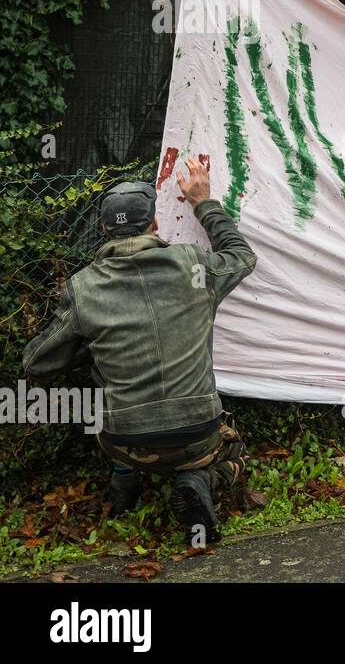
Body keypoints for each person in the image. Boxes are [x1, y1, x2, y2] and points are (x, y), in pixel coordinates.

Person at [22, 158, 256, 545]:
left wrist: (98, 343)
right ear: (155, 224)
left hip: (125, 440)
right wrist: (203, 203)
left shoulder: (83, 288)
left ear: (101, 230)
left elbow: (37, 362)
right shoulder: (193, 265)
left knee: (103, 397)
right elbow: (242, 256)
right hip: (198, 434)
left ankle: (124, 482)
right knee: (237, 450)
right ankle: (199, 478)